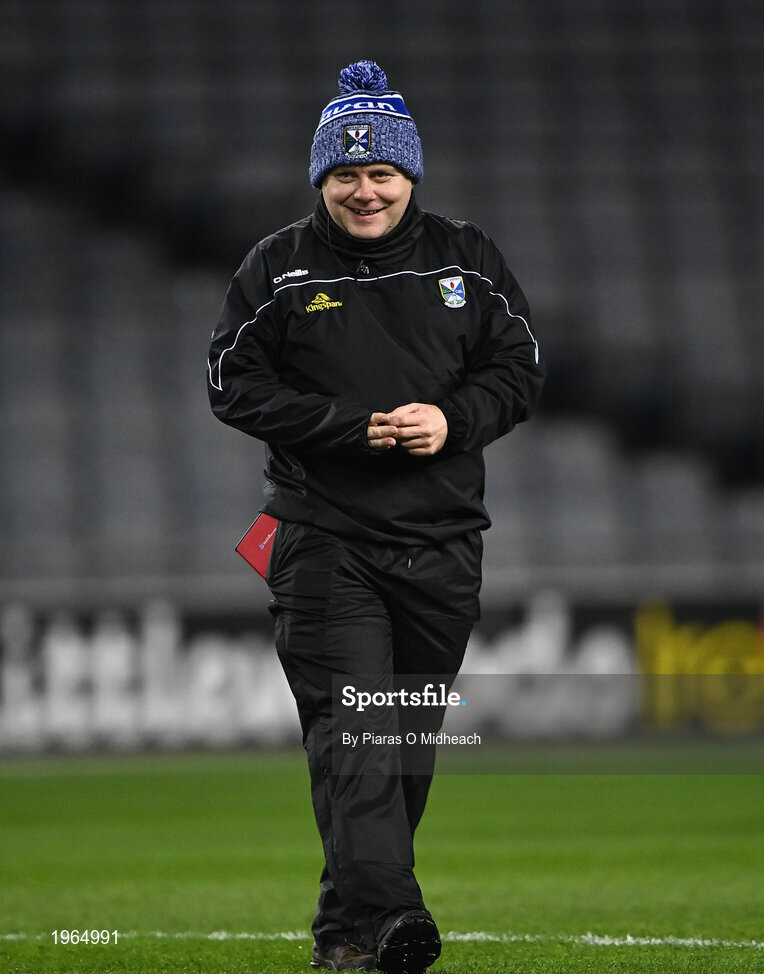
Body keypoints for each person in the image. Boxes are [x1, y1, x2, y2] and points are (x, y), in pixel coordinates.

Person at [208, 60, 545, 974]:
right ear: (321, 178)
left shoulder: (467, 258)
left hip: (441, 543)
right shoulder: (275, 269)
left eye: (381, 173)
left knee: (398, 756)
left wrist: (454, 419)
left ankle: (348, 935)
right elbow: (231, 386)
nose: (365, 190)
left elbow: (518, 370)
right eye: (345, 173)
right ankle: (397, 919)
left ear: (410, 177)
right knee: (357, 731)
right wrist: (346, 430)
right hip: (322, 541)